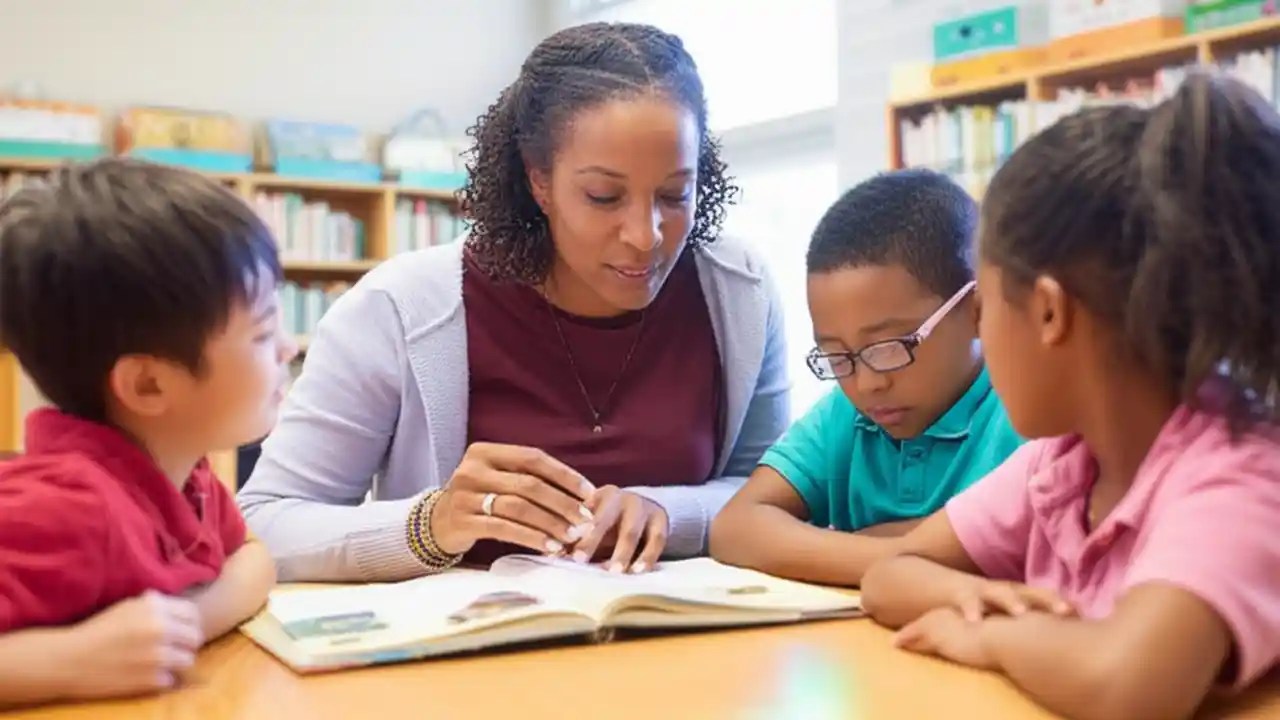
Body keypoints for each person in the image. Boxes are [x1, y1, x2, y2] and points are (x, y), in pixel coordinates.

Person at [238, 21, 790, 582]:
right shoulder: (399, 308)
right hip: (471, 652)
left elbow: (777, 497)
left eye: (675, 194)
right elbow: (264, 524)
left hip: (689, 646)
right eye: (604, 196)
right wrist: (432, 523)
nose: (646, 235)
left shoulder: (738, 293)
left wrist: (669, 513)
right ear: (539, 180)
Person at [860, 73, 1280, 720]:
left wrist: (992, 634)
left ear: (1050, 312)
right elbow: (889, 575)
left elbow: (1127, 686)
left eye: (986, 307)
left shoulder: (1240, 472)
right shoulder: (1062, 463)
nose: (981, 334)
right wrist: (972, 597)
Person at [0, 159, 293, 705]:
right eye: (262, 332)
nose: (289, 348)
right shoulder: (65, 510)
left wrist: (179, 626)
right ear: (148, 386)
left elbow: (254, 561)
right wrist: (67, 663)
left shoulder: (185, 477)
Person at [709, 170, 1022, 586]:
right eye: (836, 356)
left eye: (890, 348)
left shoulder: (1026, 410)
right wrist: (897, 556)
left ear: (977, 309)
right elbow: (735, 529)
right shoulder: (846, 416)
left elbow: (1030, 546)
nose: (866, 384)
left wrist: (834, 549)